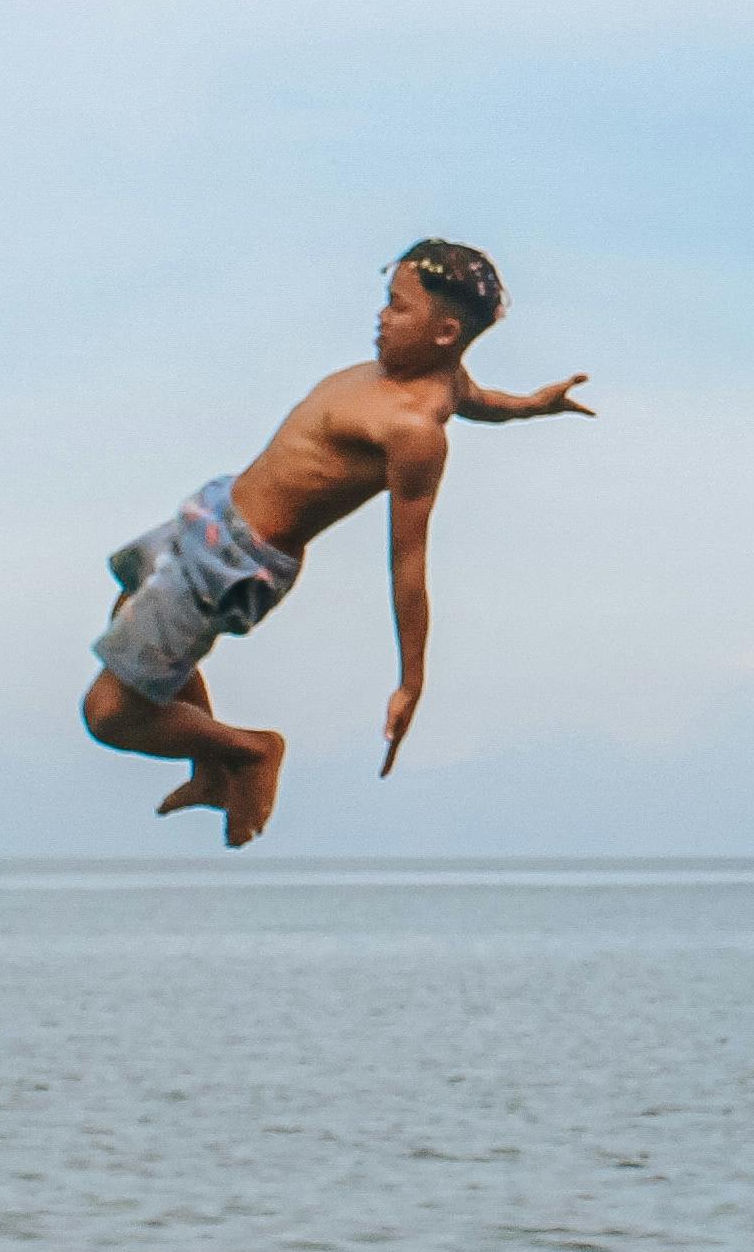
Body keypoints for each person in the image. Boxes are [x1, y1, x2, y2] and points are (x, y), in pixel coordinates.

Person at [84, 240, 592, 847]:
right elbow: (482, 402)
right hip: (217, 509)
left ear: (444, 331)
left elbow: (408, 563)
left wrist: (412, 680)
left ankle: (252, 754)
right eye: (386, 300)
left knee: (110, 714)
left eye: (399, 308)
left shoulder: (413, 430)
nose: (381, 316)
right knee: (132, 607)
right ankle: (212, 767)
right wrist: (534, 406)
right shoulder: (444, 379)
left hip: (231, 561)